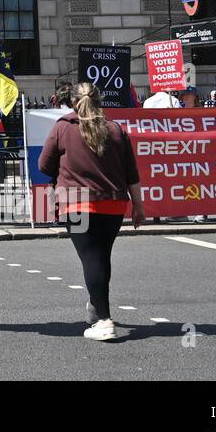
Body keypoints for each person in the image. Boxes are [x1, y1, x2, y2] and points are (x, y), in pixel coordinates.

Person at [38, 82, 145, 341]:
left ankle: (105, 320)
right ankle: (97, 307)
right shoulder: (116, 129)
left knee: (91, 259)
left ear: (73, 102)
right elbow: (132, 174)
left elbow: (43, 164)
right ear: (100, 101)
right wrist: (139, 205)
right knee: (101, 257)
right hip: (114, 203)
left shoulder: (63, 127)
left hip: (76, 203)